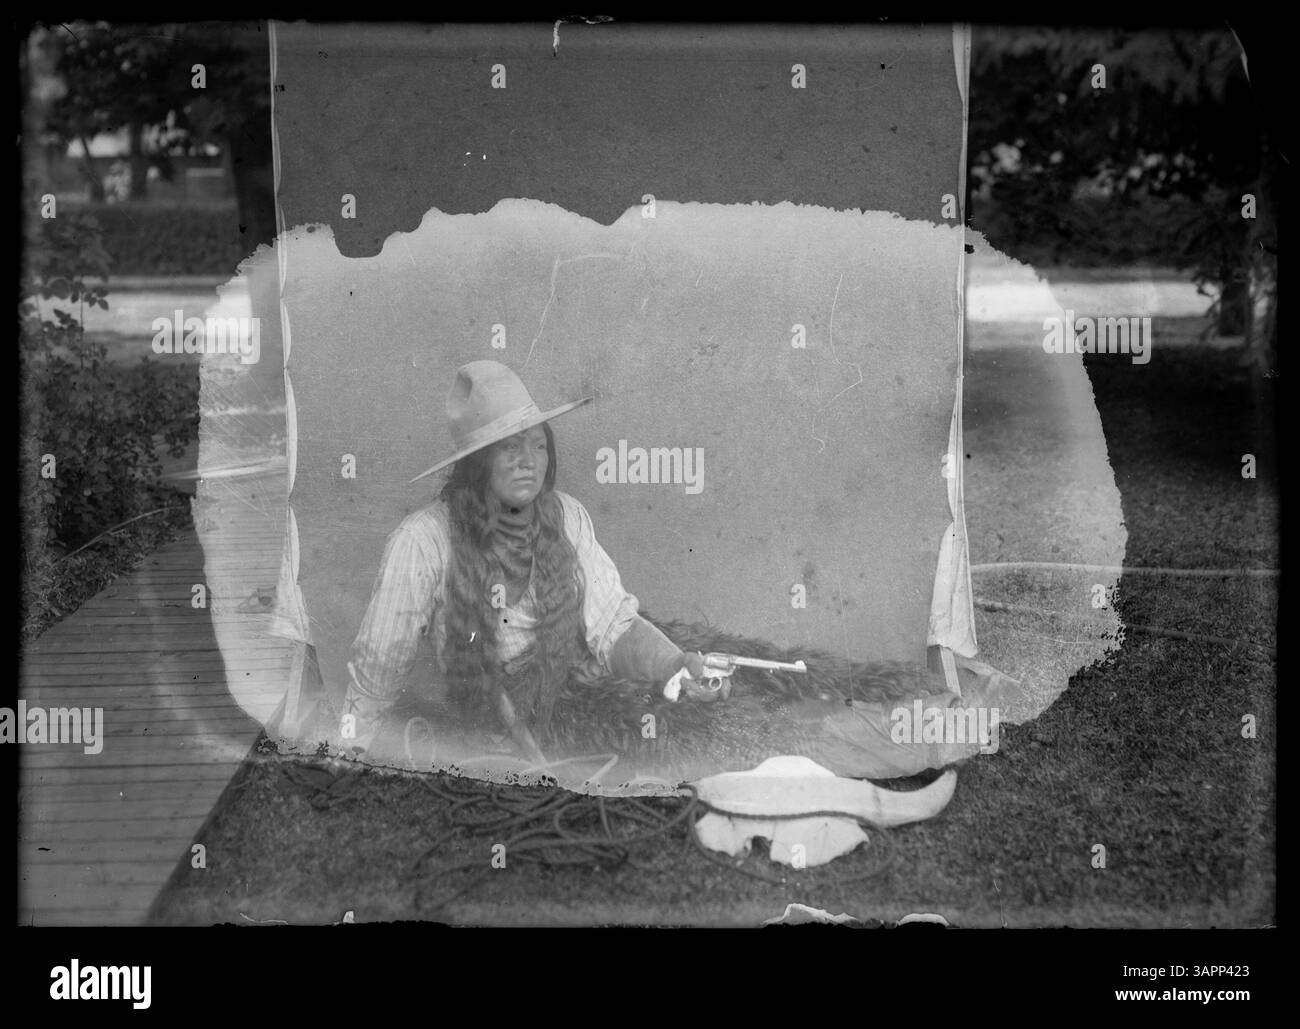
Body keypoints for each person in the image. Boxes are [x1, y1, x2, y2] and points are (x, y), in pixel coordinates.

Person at [342, 361, 719, 761]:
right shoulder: (423, 541)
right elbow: (376, 674)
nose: (529, 461)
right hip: (482, 738)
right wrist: (345, 759)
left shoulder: (567, 517)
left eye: (538, 445)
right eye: (510, 447)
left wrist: (673, 664)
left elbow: (614, 626)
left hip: (574, 714)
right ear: (477, 462)